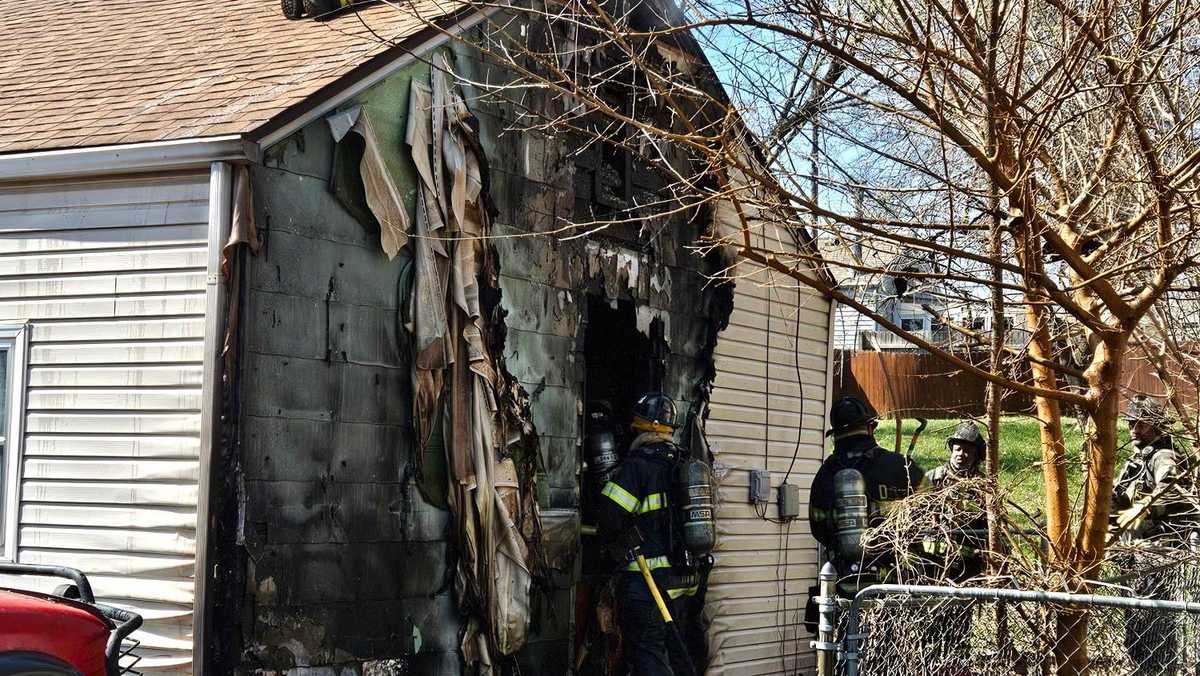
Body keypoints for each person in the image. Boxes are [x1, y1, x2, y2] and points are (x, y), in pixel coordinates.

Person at [597, 392, 692, 676]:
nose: (632, 429)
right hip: (681, 582)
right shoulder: (681, 463)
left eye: (636, 424)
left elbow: (610, 515)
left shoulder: (638, 466)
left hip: (646, 583)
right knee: (672, 650)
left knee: (648, 655)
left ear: (648, 426)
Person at [809, 396, 924, 593]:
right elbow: (931, 509)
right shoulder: (901, 465)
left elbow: (817, 525)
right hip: (894, 582)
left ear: (836, 434)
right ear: (870, 428)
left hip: (844, 582)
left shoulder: (826, 473)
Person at [1112, 395, 1193, 674]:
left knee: (1154, 624)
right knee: (1135, 622)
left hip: (1155, 553)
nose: (1134, 429)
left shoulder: (1163, 456)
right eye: (1131, 423)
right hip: (1131, 554)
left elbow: (1169, 493)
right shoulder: (1137, 458)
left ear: (1156, 426)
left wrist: (1138, 510)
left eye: (1141, 424)